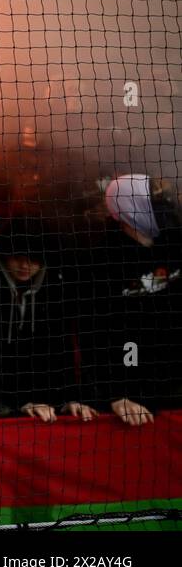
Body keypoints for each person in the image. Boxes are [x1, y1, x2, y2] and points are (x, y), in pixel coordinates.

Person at [77, 174, 182, 426]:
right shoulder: (102, 260)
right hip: (135, 392)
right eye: (152, 199)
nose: (162, 205)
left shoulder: (175, 241)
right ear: (128, 208)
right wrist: (115, 394)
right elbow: (94, 334)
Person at [0, 218, 96, 421]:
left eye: (34, 259)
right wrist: (19, 400)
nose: (25, 265)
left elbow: (57, 348)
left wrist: (66, 398)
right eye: (18, 257)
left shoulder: (54, 286)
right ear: (6, 252)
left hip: (38, 398)